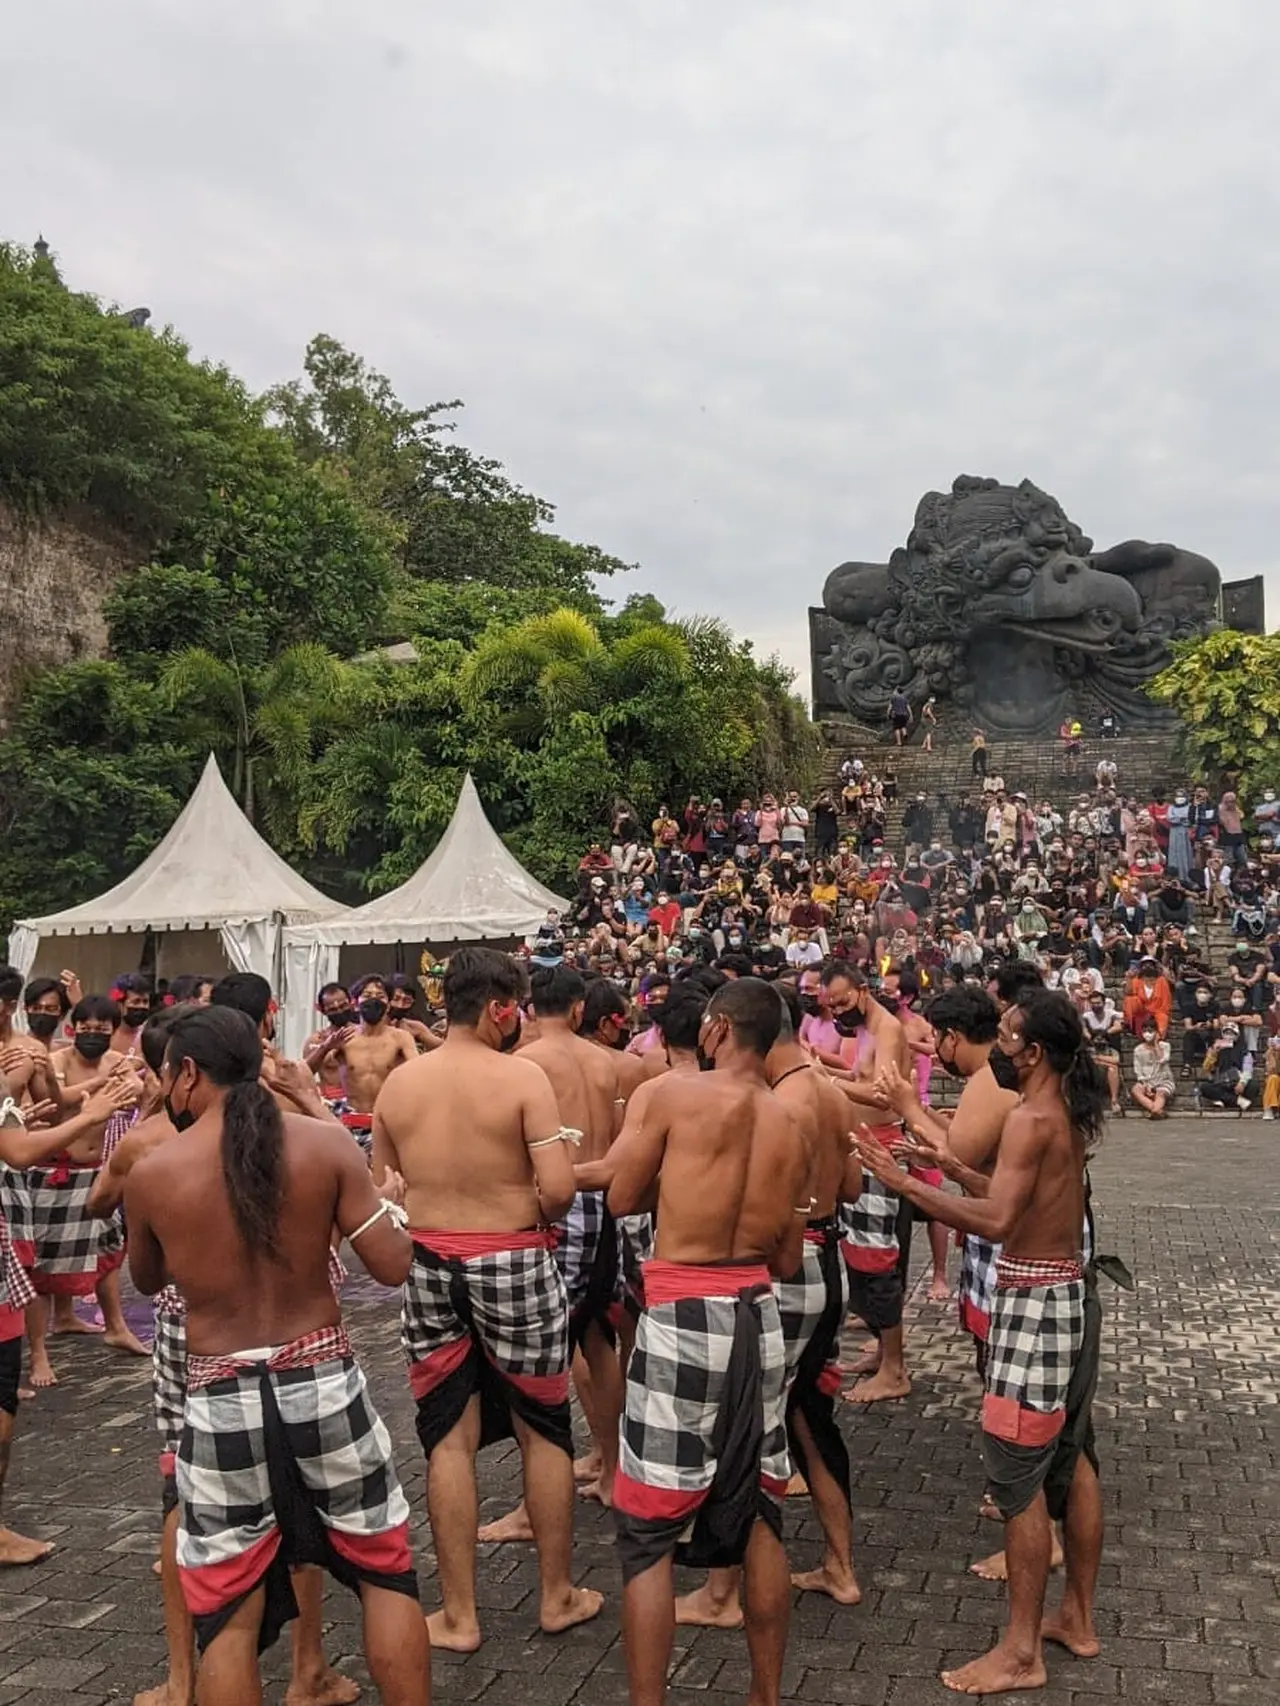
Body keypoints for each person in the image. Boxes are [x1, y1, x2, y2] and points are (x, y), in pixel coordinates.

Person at [124, 1005, 429, 1706]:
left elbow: (147, 1279)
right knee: (385, 1573)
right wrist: (387, 1206)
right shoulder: (325, 1148)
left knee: (227, 1608)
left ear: (189, 1074)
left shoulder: (155, 1170)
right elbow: (391, 1265)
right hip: (322, 1380)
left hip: (220, 1394)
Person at [90, 1007, 358, 1706]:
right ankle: (308, 1666)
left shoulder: (150, 1149)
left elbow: (126, 1248)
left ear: (178, 1071)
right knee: (302, 1503)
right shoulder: (287, 1134)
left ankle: (184, 1679)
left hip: (197, 1344)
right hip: (295, 1346)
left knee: (190, 1499)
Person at [853, 988, 1107, 1696]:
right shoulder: (1063, 1109)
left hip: (1032, 1303)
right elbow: (1017, 1195)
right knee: (1073, 1456)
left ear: (1032, 1051)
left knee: (1019, 1482)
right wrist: (953, 1172)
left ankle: (1022, 1651)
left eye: (1005, 1033)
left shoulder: (1030, 1116)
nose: (995, 1043)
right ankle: (1075, 1620)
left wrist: (905, 1181)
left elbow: (995, 1222)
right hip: (1065, 1293)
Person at [371, 947, 602, 1651]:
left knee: (447, 1430)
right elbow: (560, 1190)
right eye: (518, 1008)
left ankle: (459, 1614)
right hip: (513, 1257)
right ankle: (556, 1595)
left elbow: (384, 1186)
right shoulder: (521, 1077)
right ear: (500, 1007)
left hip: (433, 1259)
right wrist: (518, 1202)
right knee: (543, 1423)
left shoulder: (399, 1085)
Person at [606, 978, 809, 1706]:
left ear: (718, 1029)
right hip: (757, 1313)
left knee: (649, 1532)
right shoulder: (792, 1121)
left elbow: (622, 1197)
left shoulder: (672, 1094)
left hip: (683, 1310)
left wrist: (684, 1179)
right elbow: (787, 1259)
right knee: (760, 1511)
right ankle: (764, 1696)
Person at [306, 976, 417, 1152]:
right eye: (367, 995)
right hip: (350, 1120)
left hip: (386, 1121)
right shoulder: (345, 1038)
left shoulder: (401, 1038)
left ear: (388, 1003)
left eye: (380, 995)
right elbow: (307, 1071)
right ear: (355, 1003)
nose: (373, 999)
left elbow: (417, 1072)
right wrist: (326, 1047)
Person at [1130, 1023, 1175, 1119]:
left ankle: (1154, 1111)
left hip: (1164, 1080)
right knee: (1135, 1090)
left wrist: (1156, 1044)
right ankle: (1158, 1111)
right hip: (1146, 1080)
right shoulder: (1138, 1049)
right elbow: (1138, 1068)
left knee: (1160, 1092)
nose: (1147, 1034)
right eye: (1145, 1031)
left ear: (1156, 1032)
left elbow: (1163, 1060)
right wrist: (1145, 1083)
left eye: (1150, 1031)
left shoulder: (1165, 1046)